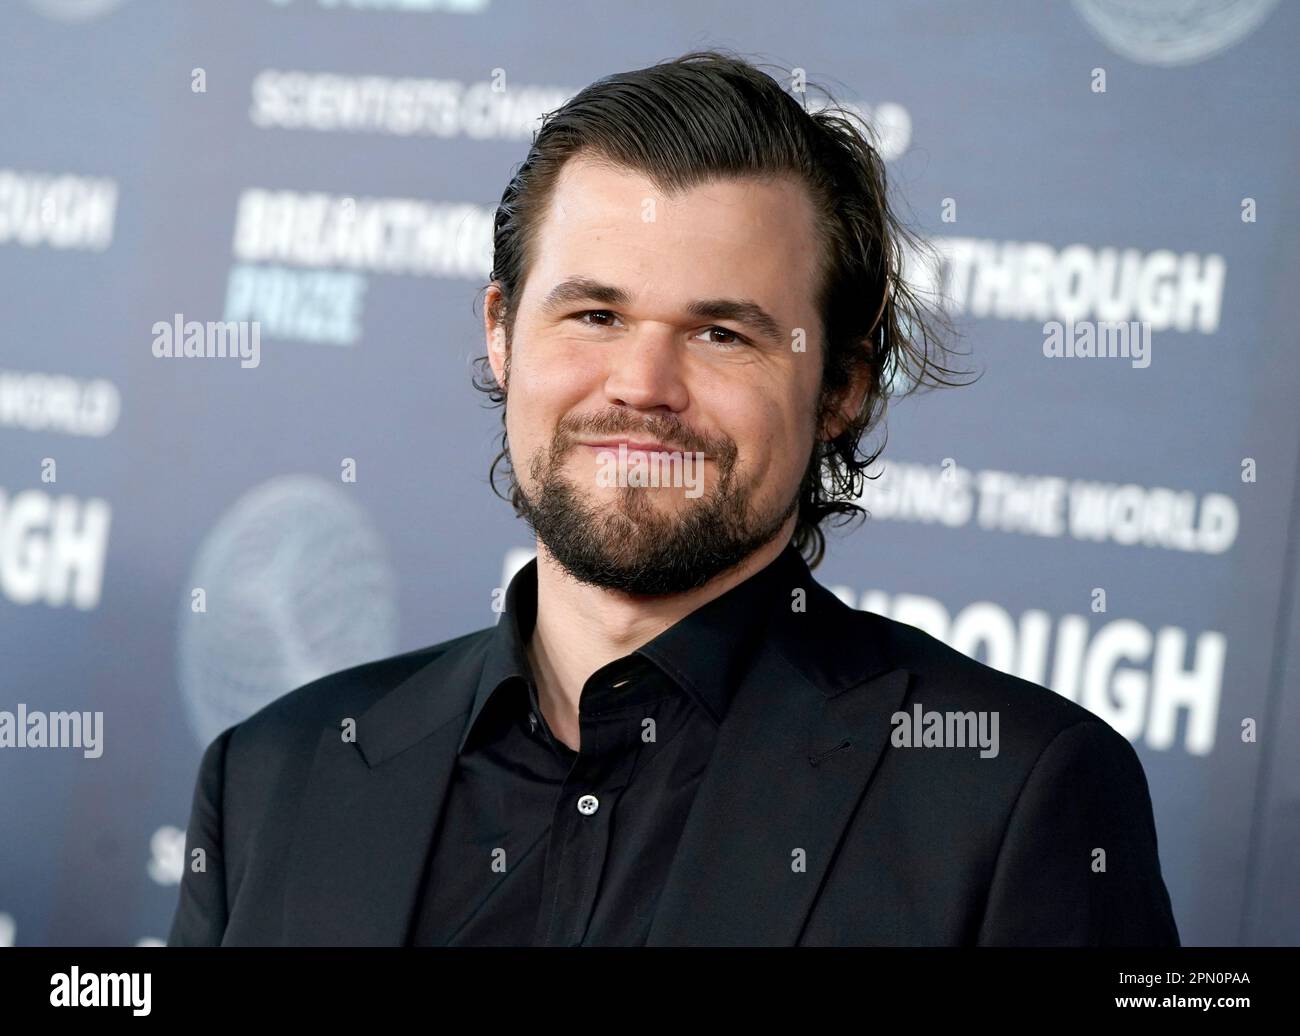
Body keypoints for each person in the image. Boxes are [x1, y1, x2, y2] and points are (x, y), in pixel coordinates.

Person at [168, 50, 1179, 946]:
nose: (641, 385)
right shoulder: (275, 775)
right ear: (502, 334)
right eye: (595, 313)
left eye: (720, 333)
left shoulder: (1012, 796)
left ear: (842, 384)